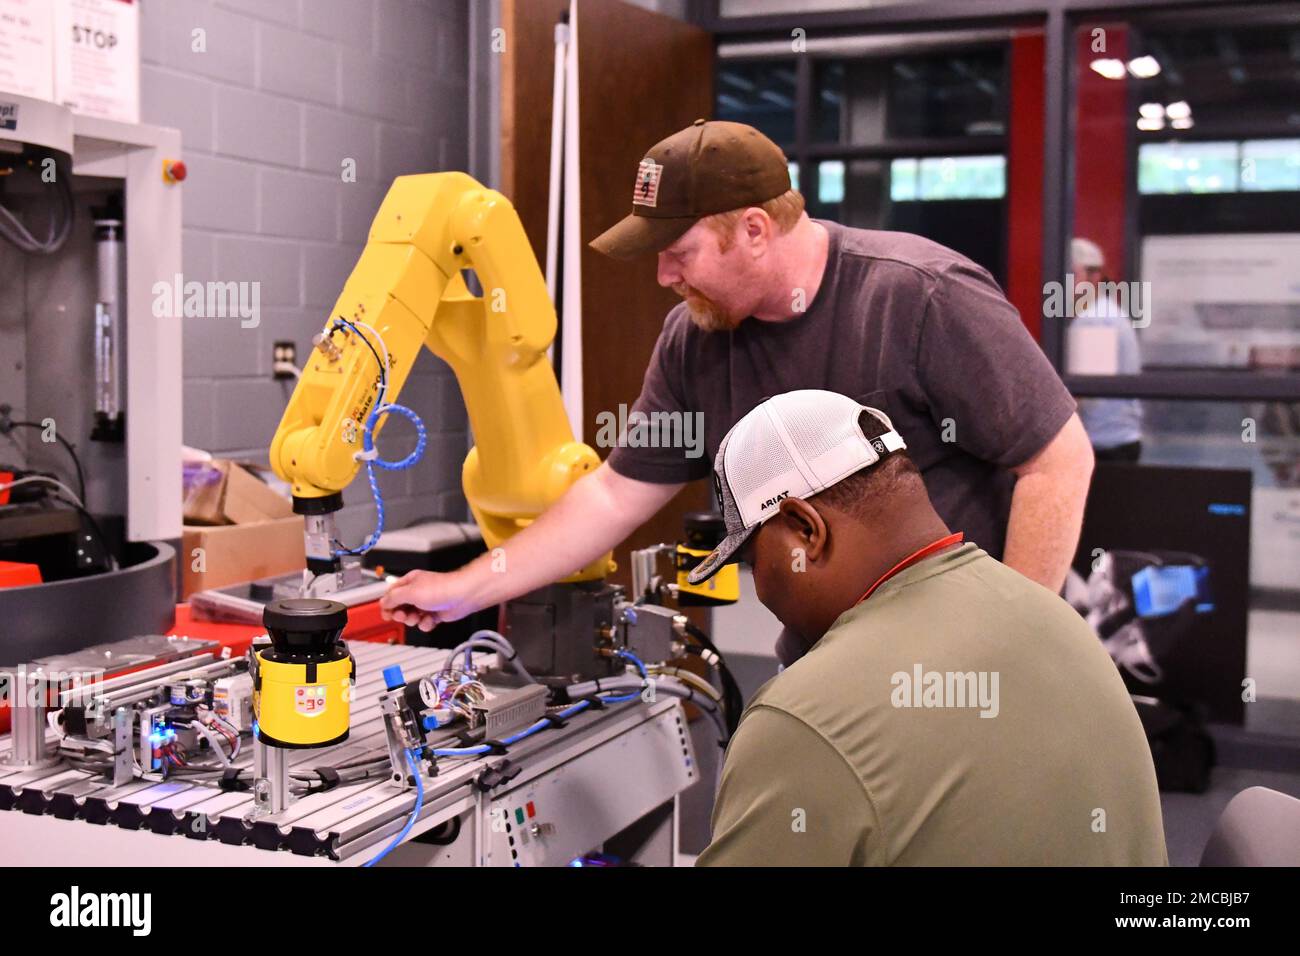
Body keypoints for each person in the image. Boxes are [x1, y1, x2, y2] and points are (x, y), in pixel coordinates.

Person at [380, 120, 1095, 652]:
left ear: (754, 229)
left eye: (678, 252)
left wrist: (1014, 643)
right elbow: (611, 495)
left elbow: (1058, 460)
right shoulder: (694, 339)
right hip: (823, 660)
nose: (663, 276)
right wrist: (467, 584)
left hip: (956, 652)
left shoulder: (920, 297)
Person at [689, 389, 1168, 866]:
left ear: (806, 529)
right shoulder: (1059, 622)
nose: (762, 590)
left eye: (753, 559)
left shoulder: (801, 721)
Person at [1067, 237, 1144, 462]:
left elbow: (1085, 391)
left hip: (1106, 446)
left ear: (1091, 277)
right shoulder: (1108, 313)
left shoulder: (1095, 319)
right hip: (1117, 440)